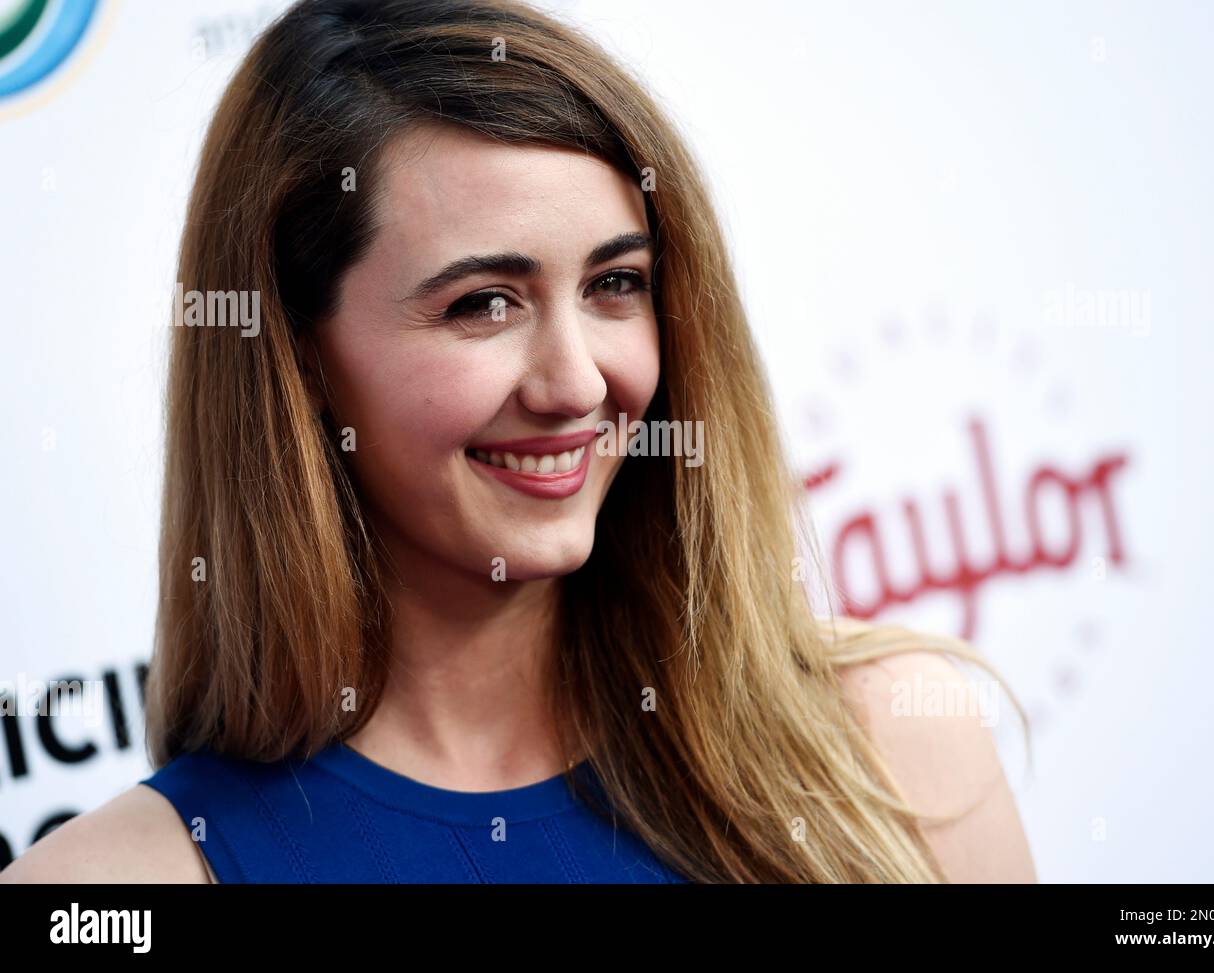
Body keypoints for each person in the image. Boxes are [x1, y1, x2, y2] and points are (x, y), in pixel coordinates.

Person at [1, 0, 1035, 884]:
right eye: (483, 303)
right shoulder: (117, 884)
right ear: (298, 357)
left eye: (615, 285)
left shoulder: (891, 749)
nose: (578, 381)